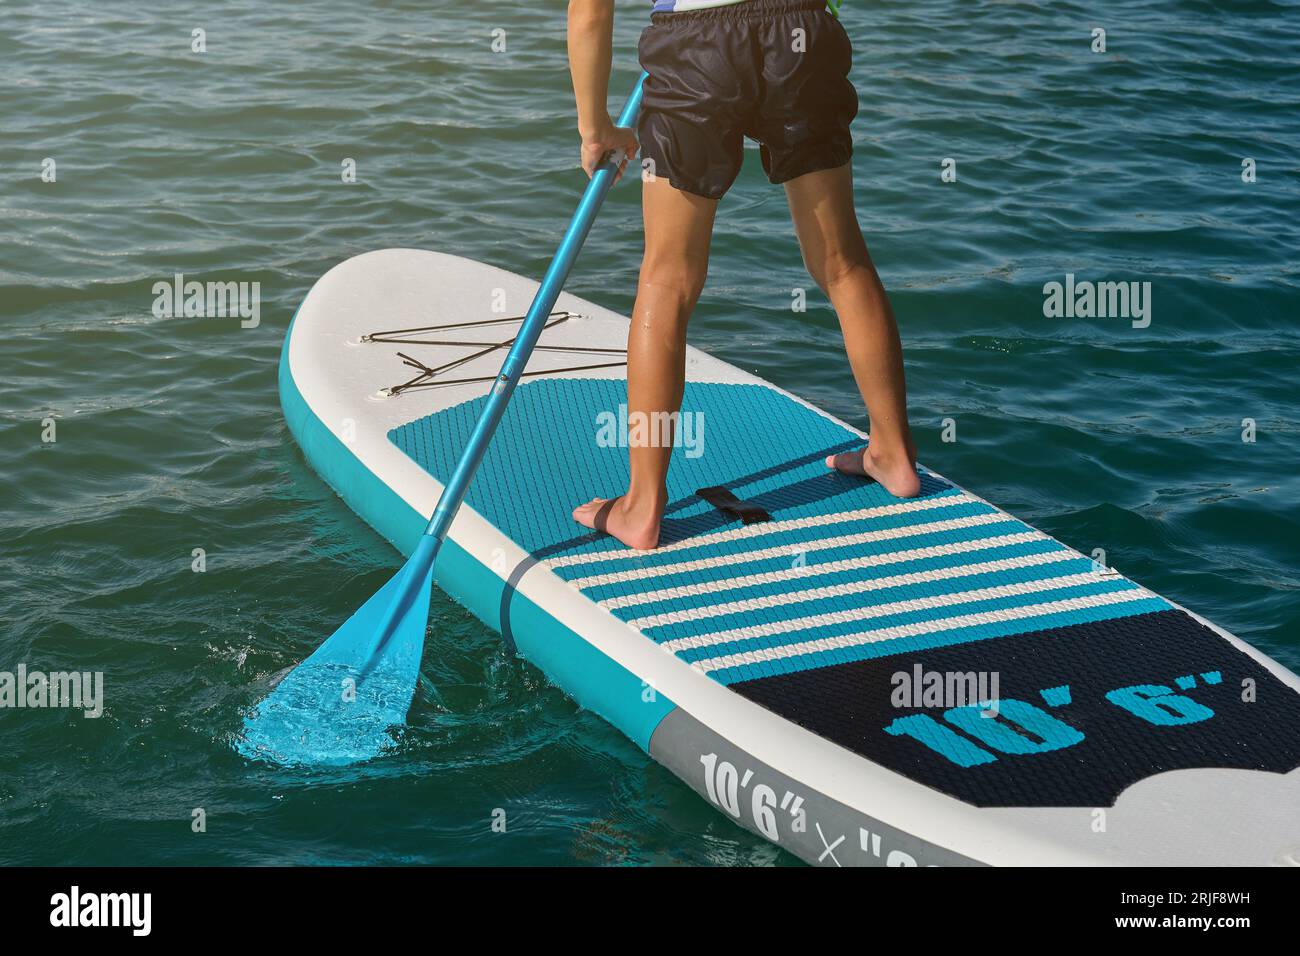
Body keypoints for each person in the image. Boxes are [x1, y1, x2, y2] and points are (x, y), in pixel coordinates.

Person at [567, 0, 919, 551]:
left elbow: (589, 11)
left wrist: (595, 127)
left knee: (668, 280)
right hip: (802, 31)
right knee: (842, 262)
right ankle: (894, 454)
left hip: (699, 44)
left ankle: (642, 506)